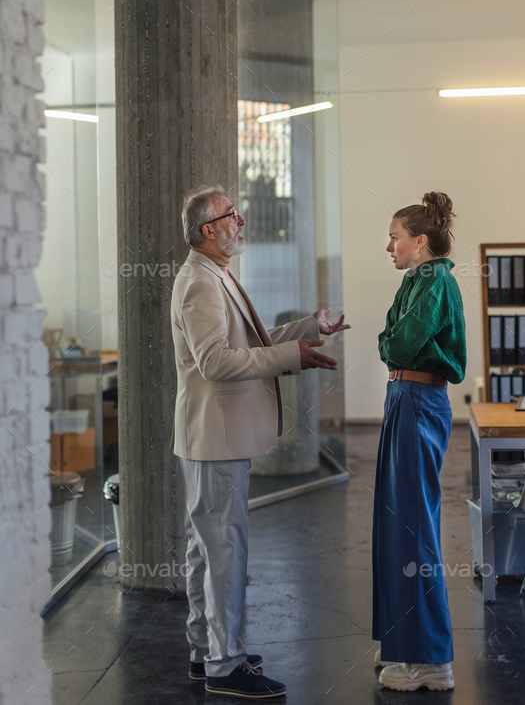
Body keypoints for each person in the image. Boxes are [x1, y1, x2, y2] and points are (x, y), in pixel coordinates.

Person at [170, 184, 349, 699]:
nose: (241, 221)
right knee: (224, 549)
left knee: (209, 548)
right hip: (215, 438)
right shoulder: (200, 283)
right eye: (231, 215)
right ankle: (226, 665)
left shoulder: (213, 273)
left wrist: (306, 328)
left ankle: (207, 652)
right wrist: (293, 356)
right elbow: (218, 362)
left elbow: (245, 341)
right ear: (208, 229)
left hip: (213, 437)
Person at [372, 192, 466, 693]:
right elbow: (390, 337)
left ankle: (429, 658)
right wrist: (391, 343)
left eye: (395, 236)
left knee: (412, 528)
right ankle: (405, 645)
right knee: (399, 524)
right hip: (405, 395)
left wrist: (391, 344)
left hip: (417, 399)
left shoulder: (433, 280)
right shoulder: (419, 280)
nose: (389, 246)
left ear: (419, 240)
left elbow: (398, 343)